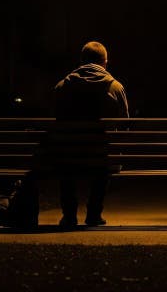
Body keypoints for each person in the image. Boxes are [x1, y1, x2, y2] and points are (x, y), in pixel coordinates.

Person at [54, 40, 129, 227]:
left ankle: (69, 214)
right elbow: (126, 124)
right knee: (107, 154)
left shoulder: (63, 86)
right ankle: (94, 212)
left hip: (68, 156)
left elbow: (54, 119)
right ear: (104, 62)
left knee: (64, 155)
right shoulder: (115, 87)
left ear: (81, 61)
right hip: (102, 157)